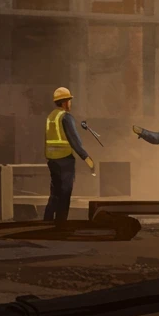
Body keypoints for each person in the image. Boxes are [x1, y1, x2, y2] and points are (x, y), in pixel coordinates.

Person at [44, 86, 95, 222]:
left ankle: (46, 221)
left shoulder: (51, 117)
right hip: (65, 160)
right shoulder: (66, 117)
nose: (70, 103)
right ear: (65, 102)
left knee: (55, 193)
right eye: (69, 101)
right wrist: (87, 158)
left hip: (52, 160)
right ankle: (61, 223)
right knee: (65, 193)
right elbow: (75, 141)